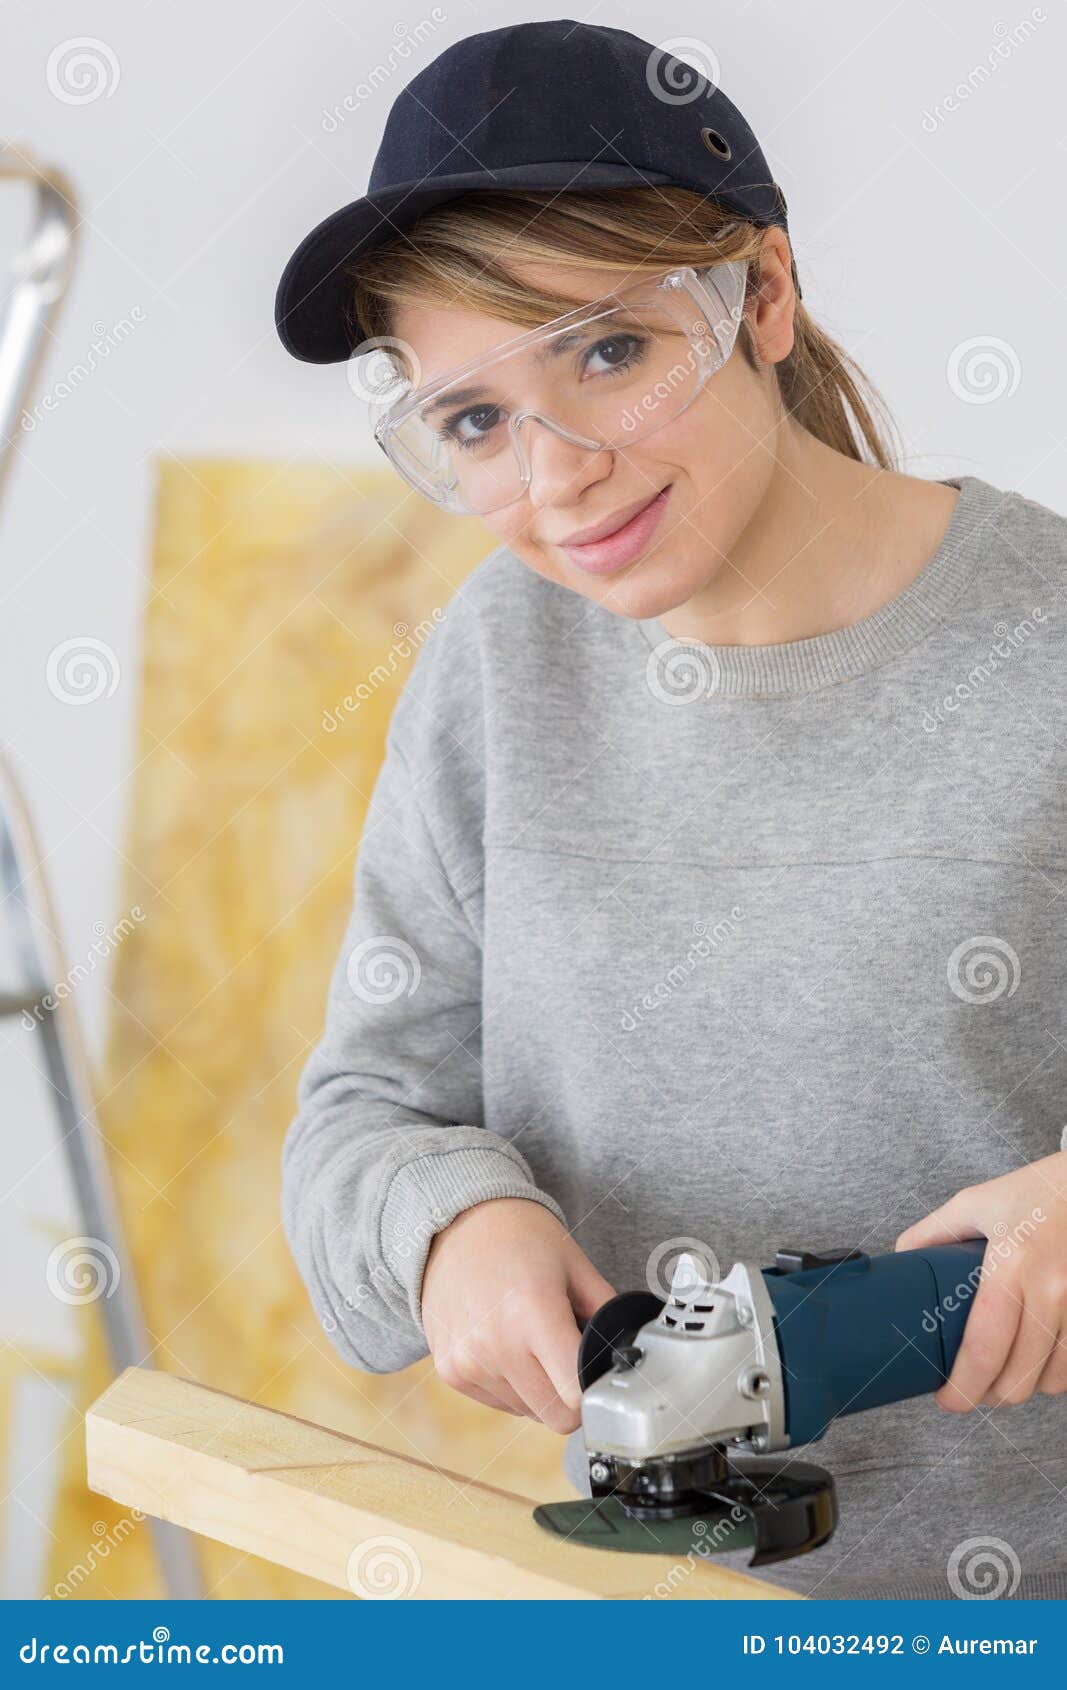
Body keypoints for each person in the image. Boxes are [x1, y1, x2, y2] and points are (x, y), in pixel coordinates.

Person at [274, 21, 1067, 1599]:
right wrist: (448, 1223)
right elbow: (360, 1118)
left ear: (762, 296)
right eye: (474, 420)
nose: (556, 474)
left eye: (607, 354)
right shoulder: (496, 667)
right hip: (659, 1607)